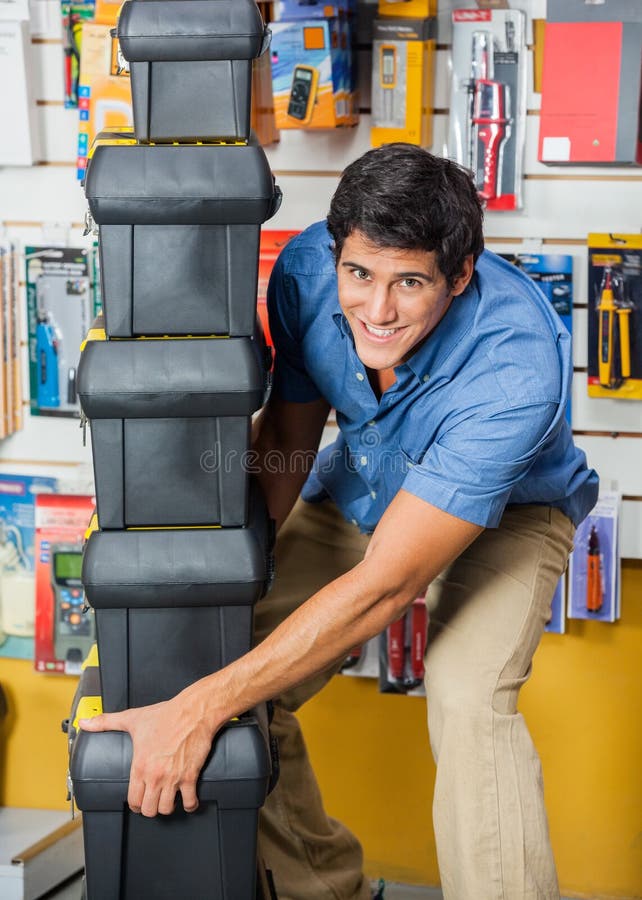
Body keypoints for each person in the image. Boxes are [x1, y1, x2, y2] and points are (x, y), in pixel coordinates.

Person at [80, 144, 598, 899]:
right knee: (238, 660)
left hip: (512, 518)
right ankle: (325, 892)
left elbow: (390, 586)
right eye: (360, 274)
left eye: (410, 283)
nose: (377, 310)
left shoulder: (516, 366)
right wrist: (232, 584)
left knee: (468, 696)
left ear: (459, 275)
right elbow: (291, 434)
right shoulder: (305, 271)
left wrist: (197, 711)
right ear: (336, 253)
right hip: (364, 482)